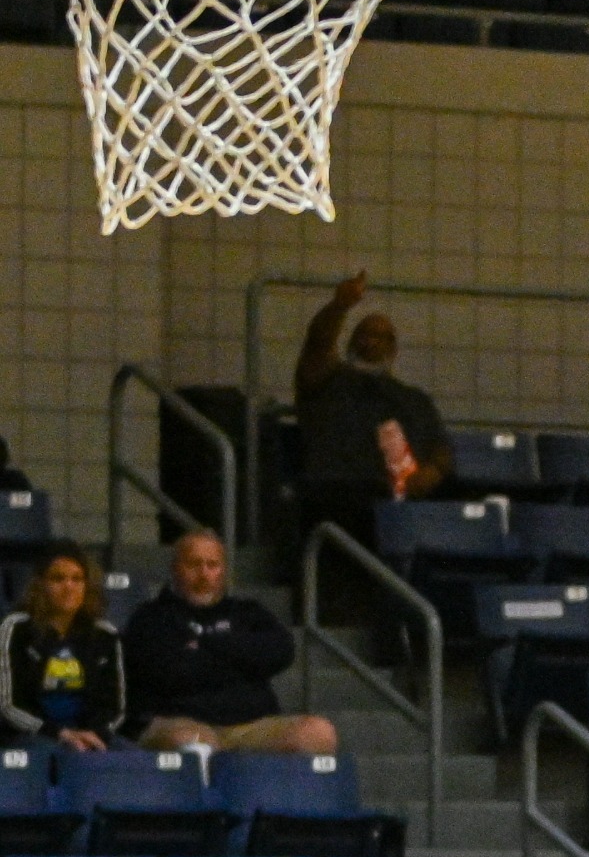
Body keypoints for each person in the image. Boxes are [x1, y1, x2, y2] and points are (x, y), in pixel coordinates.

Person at [123, 531, 338, 754]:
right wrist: (242, 660)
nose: (204, 574)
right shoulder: (151, 617)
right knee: (193, 744)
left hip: (251, 725)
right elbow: (172, 674)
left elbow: (282, 652)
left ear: (223, 571)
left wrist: (206, 645)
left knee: (318, 733)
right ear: (176, 569)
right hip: (181, 722)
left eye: (212, 565)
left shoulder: (248, 613)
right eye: (194, 565)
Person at [295, 270, 453, 556]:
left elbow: (441, 449)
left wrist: (433, 471)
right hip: (335, 501)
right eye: (364, 334)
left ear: (393, 348)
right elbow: (317, 344)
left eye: (381, 337)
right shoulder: (326, 382)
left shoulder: (415, 400)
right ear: (349, 342)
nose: (371, 342)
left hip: (396, 508)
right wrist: (339, 306)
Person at [0, 543, 126, 751]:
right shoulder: (16, 629)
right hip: (33, 735)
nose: (69, 586)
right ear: (40, 585)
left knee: (134, 759)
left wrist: (93, 734)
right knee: (65, 753)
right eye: (58, 579)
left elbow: (115, 707)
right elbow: (7, 705)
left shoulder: (105, 634)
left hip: (90, 734)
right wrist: (60, 734)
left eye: (77, 579)